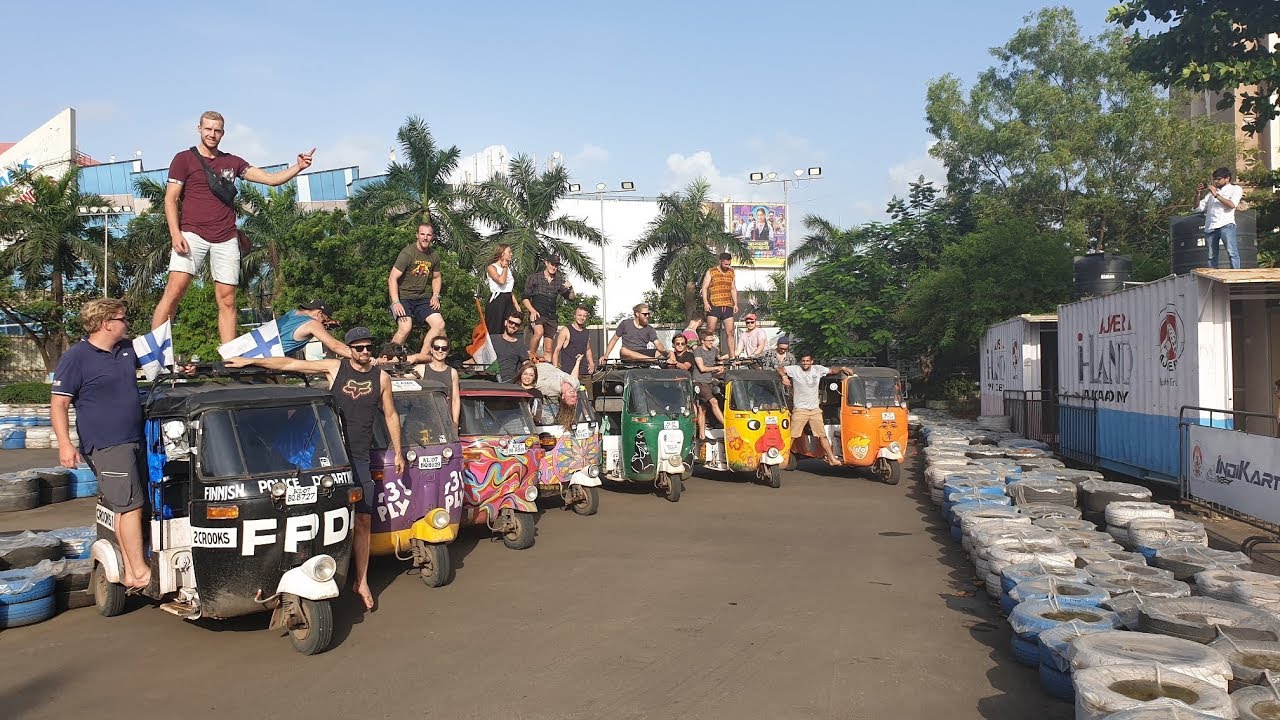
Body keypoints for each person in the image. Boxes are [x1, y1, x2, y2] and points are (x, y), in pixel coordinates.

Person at [226, 327, 402, 611]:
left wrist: (398, 450)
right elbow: (290, 363)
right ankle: (309, 574)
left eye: (369, 347)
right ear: (348, 349)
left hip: (359, 455)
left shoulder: (381, 377)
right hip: (329, 456)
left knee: (364, 519)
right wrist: (251, 361)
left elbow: (391, 415)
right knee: (315, 515)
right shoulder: (335, 368)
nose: (366, 352)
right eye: (359, 348)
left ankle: (362, 581)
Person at [153, 111, 314, 343]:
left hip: (226, 237)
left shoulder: (232, 162)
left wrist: (298, 167)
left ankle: (229, 357)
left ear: (223, 133)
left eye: (217, 130)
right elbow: (170, 199)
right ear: (199, 129)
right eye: (208, 129)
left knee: (227, 299)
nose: (212, 134)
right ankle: (155, 351)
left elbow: (270, 179)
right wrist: (175, 233)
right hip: (191, 234)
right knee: (175, 290)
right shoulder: (183, 159)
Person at [51, 299, 151, 591]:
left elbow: (160, 362)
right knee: (130, 506)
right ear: (107, 323)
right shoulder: (76, 357)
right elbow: (59, 405)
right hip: (107, 445)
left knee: (129, 506)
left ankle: (133, 569)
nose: (126, 323)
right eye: (123, 318)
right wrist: (64, 445)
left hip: (135, 439)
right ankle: (138, 571)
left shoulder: (127, 350)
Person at [778, 354, 853, 466]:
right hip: (800, 409)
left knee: (822, 435)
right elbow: (779, 369)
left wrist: (842, 368)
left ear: (811, 361)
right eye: (803, 361)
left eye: (807, 361)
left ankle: (832, 458)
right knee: (792, 436)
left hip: (815, 409)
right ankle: (783, 458)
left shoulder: (818, 369)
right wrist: (784, 377)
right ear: (800, 361)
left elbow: (832, 371)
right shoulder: (795, 369)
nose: (805, 363)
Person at [389, 222, 445, 354]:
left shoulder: (434, 256)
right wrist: (396, 302)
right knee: (405, 327)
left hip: (421, 298)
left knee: (439, 324)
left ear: (432, 237)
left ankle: (421, 359)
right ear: (417, 235)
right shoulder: (407, 253)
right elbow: (392, 278)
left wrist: (435, 295)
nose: (425, 238)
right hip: (403, 298)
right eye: (422, 234)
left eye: (428, 235)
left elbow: (436, 277)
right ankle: (388, 358)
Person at [523, 254, 574, 361]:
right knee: (538, 332)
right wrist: (532, 310)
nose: (553, 267)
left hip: (551, 316)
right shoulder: (534, 278)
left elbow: (571, 298)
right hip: (537, 313)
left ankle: (545, 368)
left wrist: (571, 287)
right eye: (552, 264)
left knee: (549, 349)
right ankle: (530, 357)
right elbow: (525, 298)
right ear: (546, 263)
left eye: (556, 265)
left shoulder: (559, 281)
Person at [403, 336, 461, 427]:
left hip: (444, 422)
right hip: (423, 421)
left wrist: (455, 423)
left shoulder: (453, 372)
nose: (440, 351)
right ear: (431, 349)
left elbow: (455, 400)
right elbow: (401, 378)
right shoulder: (421, 369)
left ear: (448, 350)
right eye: (436, 347)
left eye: (444, 348)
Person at [1196, 167, 1244, 269]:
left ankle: (1236, 275)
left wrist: (1216, 195)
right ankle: (1213, 279)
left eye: (1218, 179)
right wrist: (1197, 194)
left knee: (1232, 252)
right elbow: (1197, 208)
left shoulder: (1235, 189)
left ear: (1227, 178)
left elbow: (1232, 205)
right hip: (1211, 227)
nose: (1216, 181)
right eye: (1215, 179)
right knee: (1211, 256)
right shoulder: (1211, 193)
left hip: (1226, 224)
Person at [275, 299, 354, 359]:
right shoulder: (312, 324)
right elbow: (335, 346)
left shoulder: (291, 313)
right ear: (319, 313)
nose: (323, 325)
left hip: (264, 356)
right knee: (332, 365)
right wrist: (360, 355)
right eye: (324, 321)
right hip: (271, 360)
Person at [701, 252, 739, 358]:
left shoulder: (731, 272)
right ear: (720, 261)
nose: (727, 266)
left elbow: (733, 288)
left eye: (729, 264)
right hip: (714, 304)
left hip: (727, 305)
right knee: (710, 331)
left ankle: (732, 357)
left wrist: (735, 303)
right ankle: (708, 355)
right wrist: (705, 303)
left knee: (730, 332)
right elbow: (704, 288)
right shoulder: (711, 271)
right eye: (725, 264)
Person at [691, 330, 726, 439]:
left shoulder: (715, 350)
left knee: (702, 409)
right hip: (699, 382)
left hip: (709, 381)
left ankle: (701, 436)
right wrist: (715, 368)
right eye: (709, 340)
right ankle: (727, 424)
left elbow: (718, 361)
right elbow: (702, 368)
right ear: (702, 341)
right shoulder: (698, 351)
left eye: (712, 340)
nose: (711, 342)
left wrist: (721, 365)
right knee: (714, 402)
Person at [553, 305, 594, 377]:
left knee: (588, 388)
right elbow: (556, 351)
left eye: (584, 316)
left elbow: (588, 349)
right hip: (568, 373)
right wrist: (555, 369)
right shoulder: (565, 330)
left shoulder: (586, 332)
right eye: (579, 315)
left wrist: (591, 363)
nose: (582, 318)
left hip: (584, 372)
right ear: (574, 316)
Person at [484, 244, 516, 336]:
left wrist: (515, 303)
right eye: (509, 252)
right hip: (498, 299)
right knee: (496, 327)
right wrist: (505, 267)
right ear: (502, 254)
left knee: (509, 326)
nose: (511, 254)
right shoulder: (492, 267)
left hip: (508, 298)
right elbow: (501, 281)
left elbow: (509, 288)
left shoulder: (508, 269)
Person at [493, 310, 529, 383]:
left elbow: (527, 363)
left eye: (516, 324)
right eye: (511, 322)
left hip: (509, 383)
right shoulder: (492, 339)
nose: (513, 326)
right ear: (506, 322)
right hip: (489, 381)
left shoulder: (520, 345)